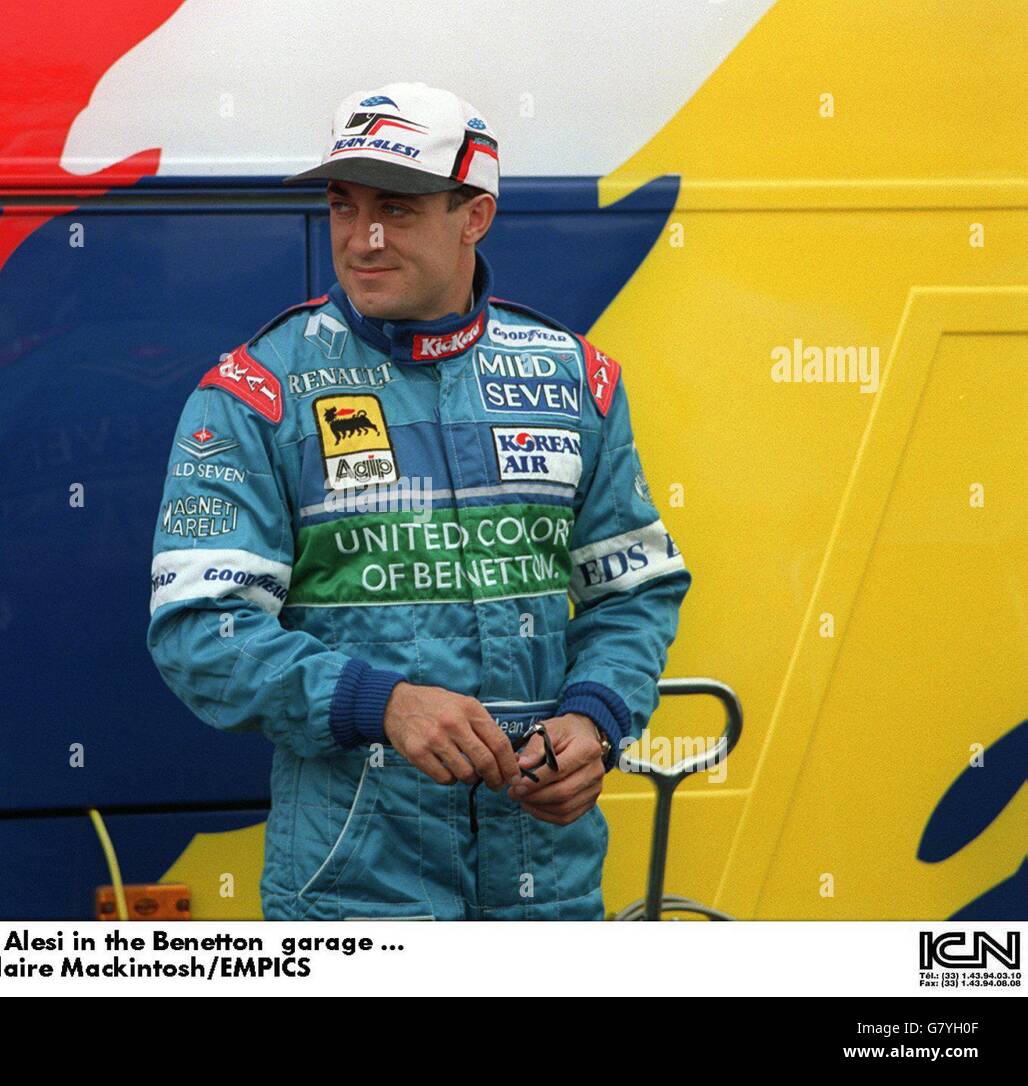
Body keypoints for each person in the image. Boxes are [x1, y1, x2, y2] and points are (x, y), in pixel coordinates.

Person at [146, 81, 690, 920]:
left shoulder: (574, 377)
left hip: (548, 886)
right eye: (342, 206)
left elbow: (633, 591)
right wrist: (382, 704)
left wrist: (596, 718)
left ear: (474, 215)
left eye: (397, 210)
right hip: (355, 890)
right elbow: (198, 630)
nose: (363, 239)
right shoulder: (257, 392)